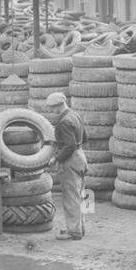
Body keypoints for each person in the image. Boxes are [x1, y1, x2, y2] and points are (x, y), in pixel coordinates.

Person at [47, 91, 87, 240]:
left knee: (71, 197)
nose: (52, 111)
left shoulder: (63, 122)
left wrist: (55, 158)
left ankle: (74, 232)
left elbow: (69, 146)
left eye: (52, 108)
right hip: (81, 156)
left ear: (58, 105)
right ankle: (80, 228)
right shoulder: (75, 115)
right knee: (80, 195)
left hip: (70, 159)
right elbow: (85, 137)